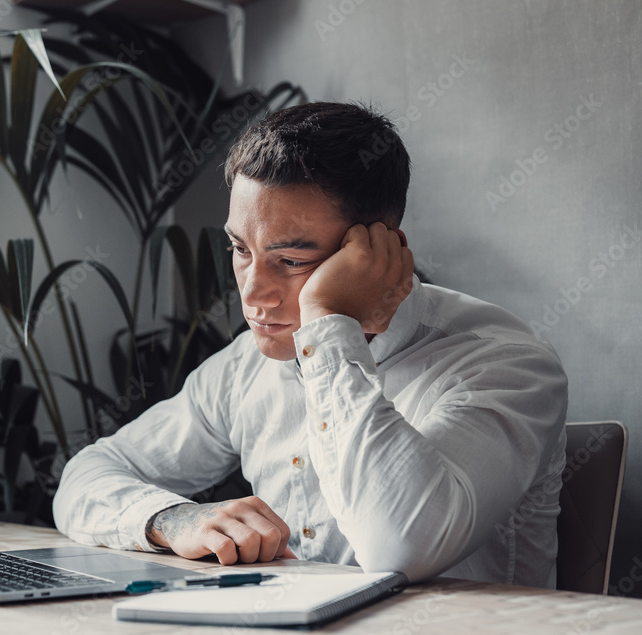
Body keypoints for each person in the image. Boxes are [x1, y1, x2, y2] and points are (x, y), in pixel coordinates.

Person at [52, 101, 568, 586]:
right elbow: (86, 476)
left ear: (378, 250)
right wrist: (173, 517)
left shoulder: (505, 364)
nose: (252, 293)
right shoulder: (243, 368)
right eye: (239, 249)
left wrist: (326, 320)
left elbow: (401, 549)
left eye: (292, 261)